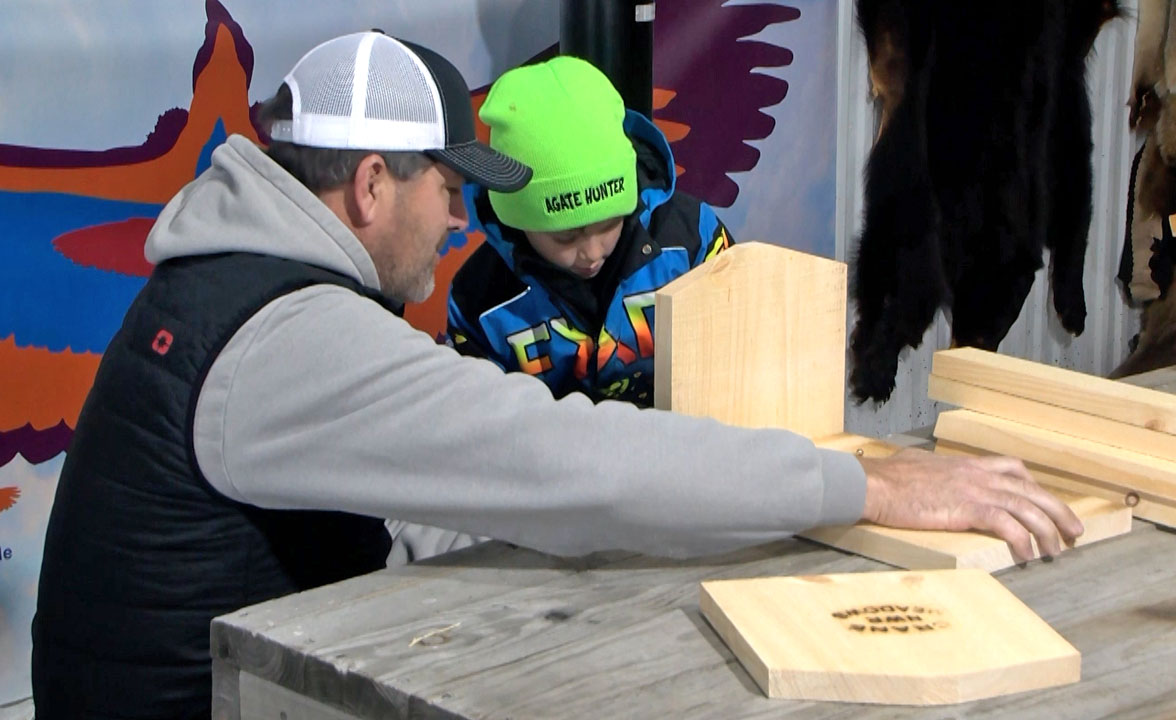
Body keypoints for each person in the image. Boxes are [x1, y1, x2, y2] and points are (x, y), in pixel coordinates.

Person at [31, 31, 1082, 720]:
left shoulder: (229, 285)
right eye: (447, 189)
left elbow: (447, 495)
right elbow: (568, 458)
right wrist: (868, 486)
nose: (460, 220)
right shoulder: (291, 336)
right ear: (370, 185)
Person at [446, 56, 732, 406]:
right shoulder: (478, 302)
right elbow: (478, 421)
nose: (592, 253)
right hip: (551, 443)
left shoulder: (693, 240)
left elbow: (744, 354)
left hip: (686, 434)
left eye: (610, 223)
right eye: (565, 236)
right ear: (518, 221)